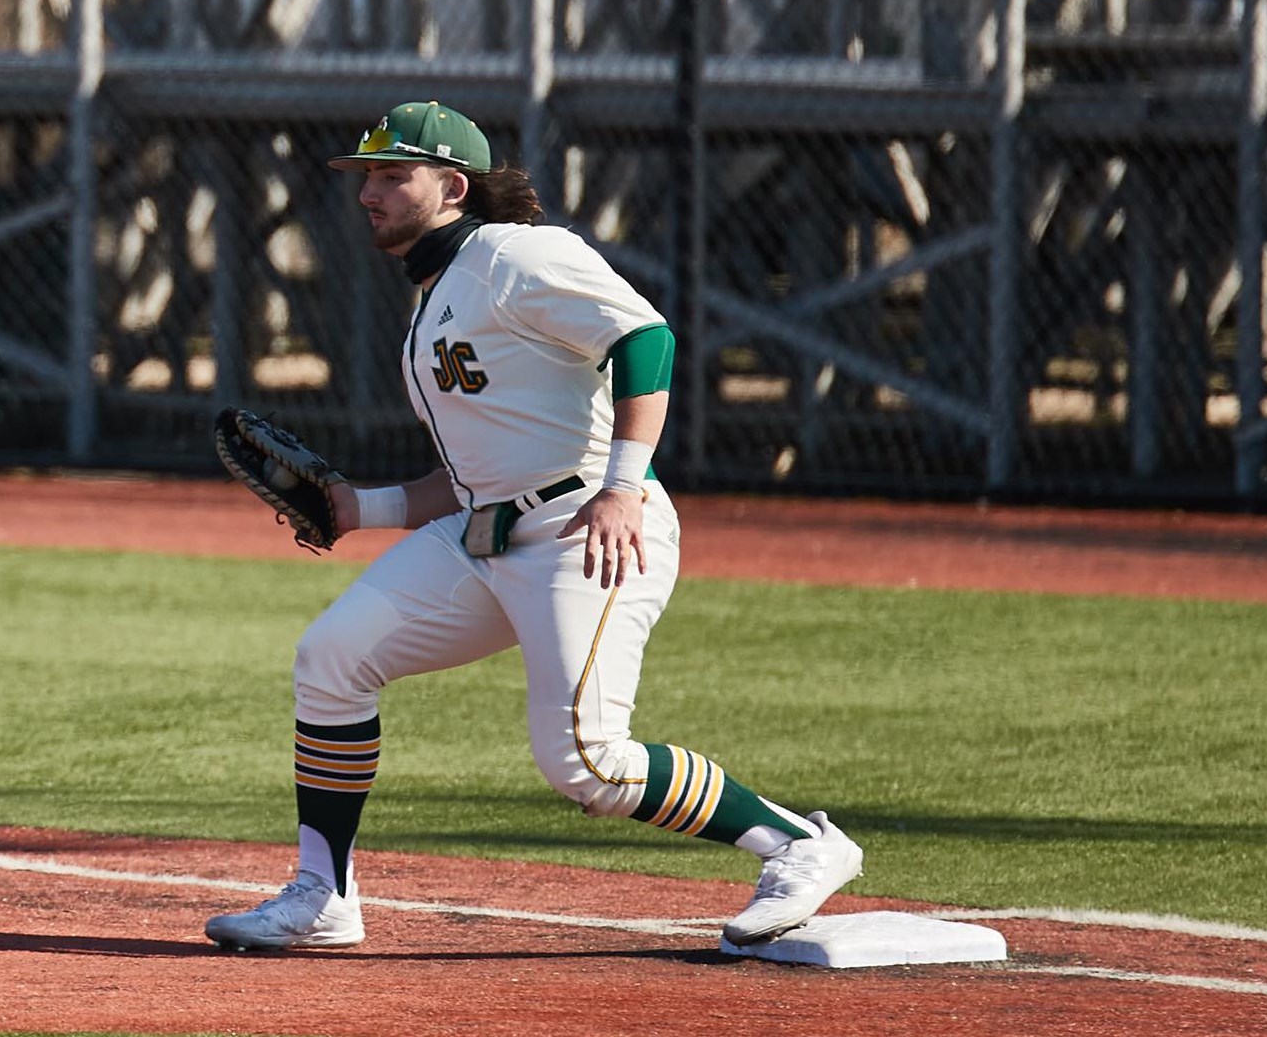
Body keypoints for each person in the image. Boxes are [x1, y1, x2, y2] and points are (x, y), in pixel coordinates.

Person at [204, 101, 862, 950]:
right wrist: (358, 510)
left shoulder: (515, 255)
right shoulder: (438, 293)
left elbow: (645, 338)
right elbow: (474, 477)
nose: (368, 192)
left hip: (585, 528)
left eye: (391, 175)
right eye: (365, 176)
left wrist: (623, 487)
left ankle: (800, 844)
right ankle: (322, 895)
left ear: (452, 187)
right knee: (331, 658)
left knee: (586, 762)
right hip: (485, 535)